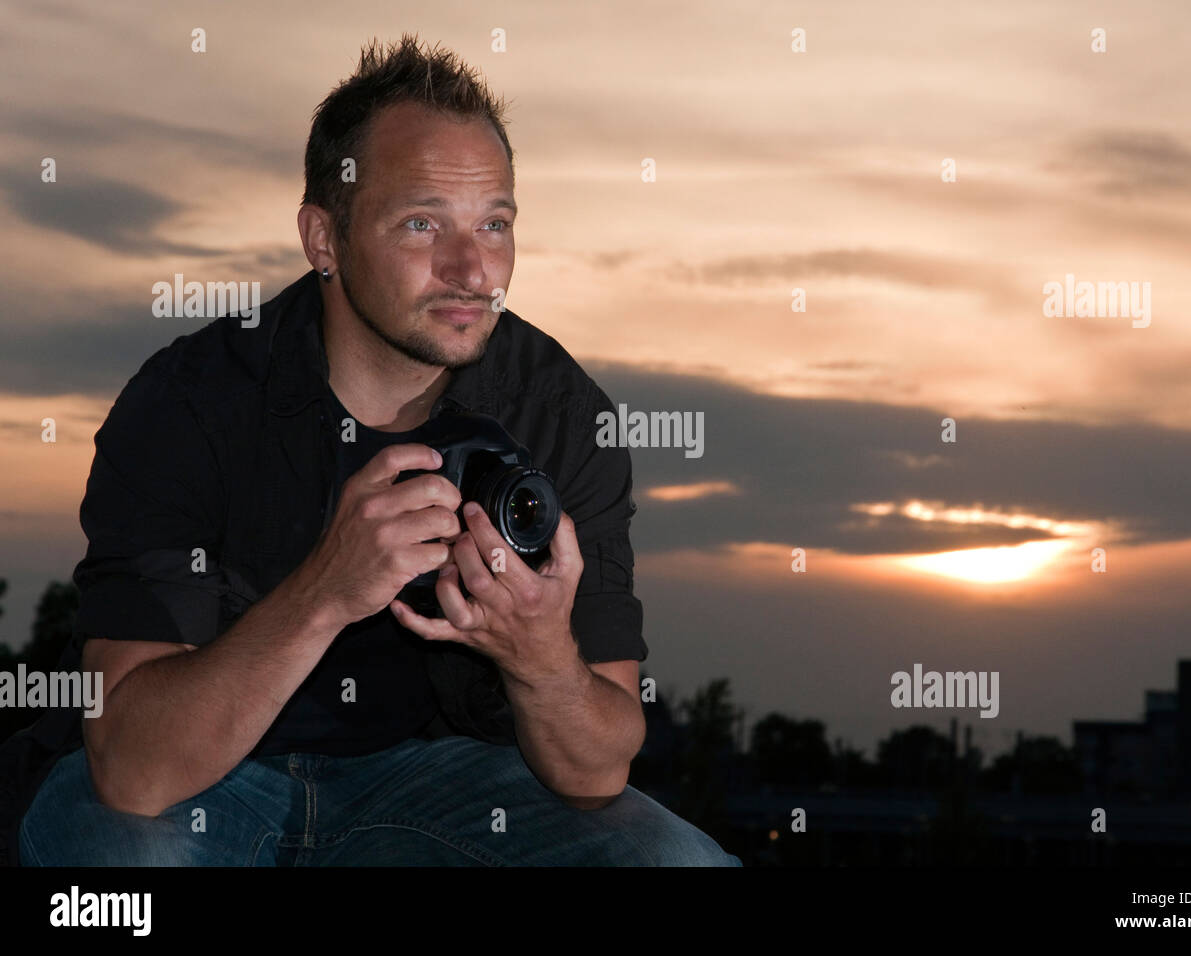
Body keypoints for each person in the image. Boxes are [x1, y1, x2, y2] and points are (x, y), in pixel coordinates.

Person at [15, 35, 741, 867]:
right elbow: (134, 775)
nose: (473, 270)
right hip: (202, 784)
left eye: (495, 224)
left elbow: (596, 771)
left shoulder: (560, 414)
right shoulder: (191, 401)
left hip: (439, 784)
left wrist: (541, 659)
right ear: (324, 239)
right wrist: (326, 590)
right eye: (422, 223)